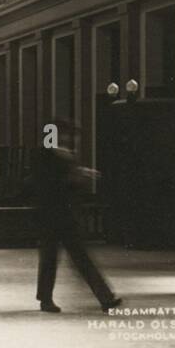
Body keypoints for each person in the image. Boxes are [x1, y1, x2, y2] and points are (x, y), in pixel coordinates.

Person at [33, 121, 122, 313]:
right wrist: (78, 176)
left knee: (62, 258)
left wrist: (78, 175)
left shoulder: (59, 154)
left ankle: (103, 297)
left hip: (60, 214)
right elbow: (53, 182)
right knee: (67, 258)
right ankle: (103, 297)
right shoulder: (49, 155)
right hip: (55, 214)